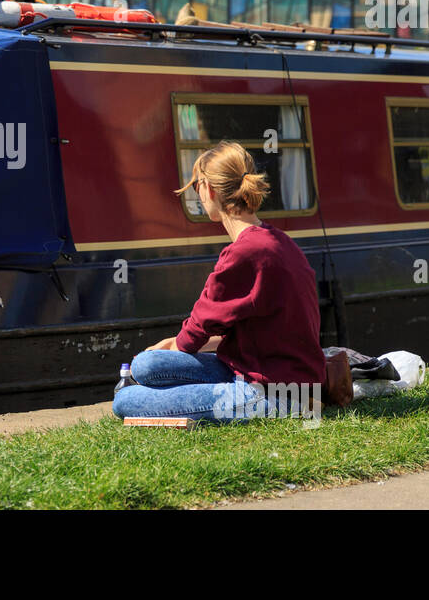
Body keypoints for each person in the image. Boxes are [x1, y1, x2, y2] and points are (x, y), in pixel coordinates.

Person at [112, 141, 326, 423]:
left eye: (196, 185)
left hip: (273, 391)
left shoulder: (243, 252)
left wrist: (177, 344)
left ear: (209, 189)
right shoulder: (277, 241)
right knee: (145, 365)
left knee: (126, 400)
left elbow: (195, 332)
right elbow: (254, 329)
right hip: (268, 370)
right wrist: (173, 344)